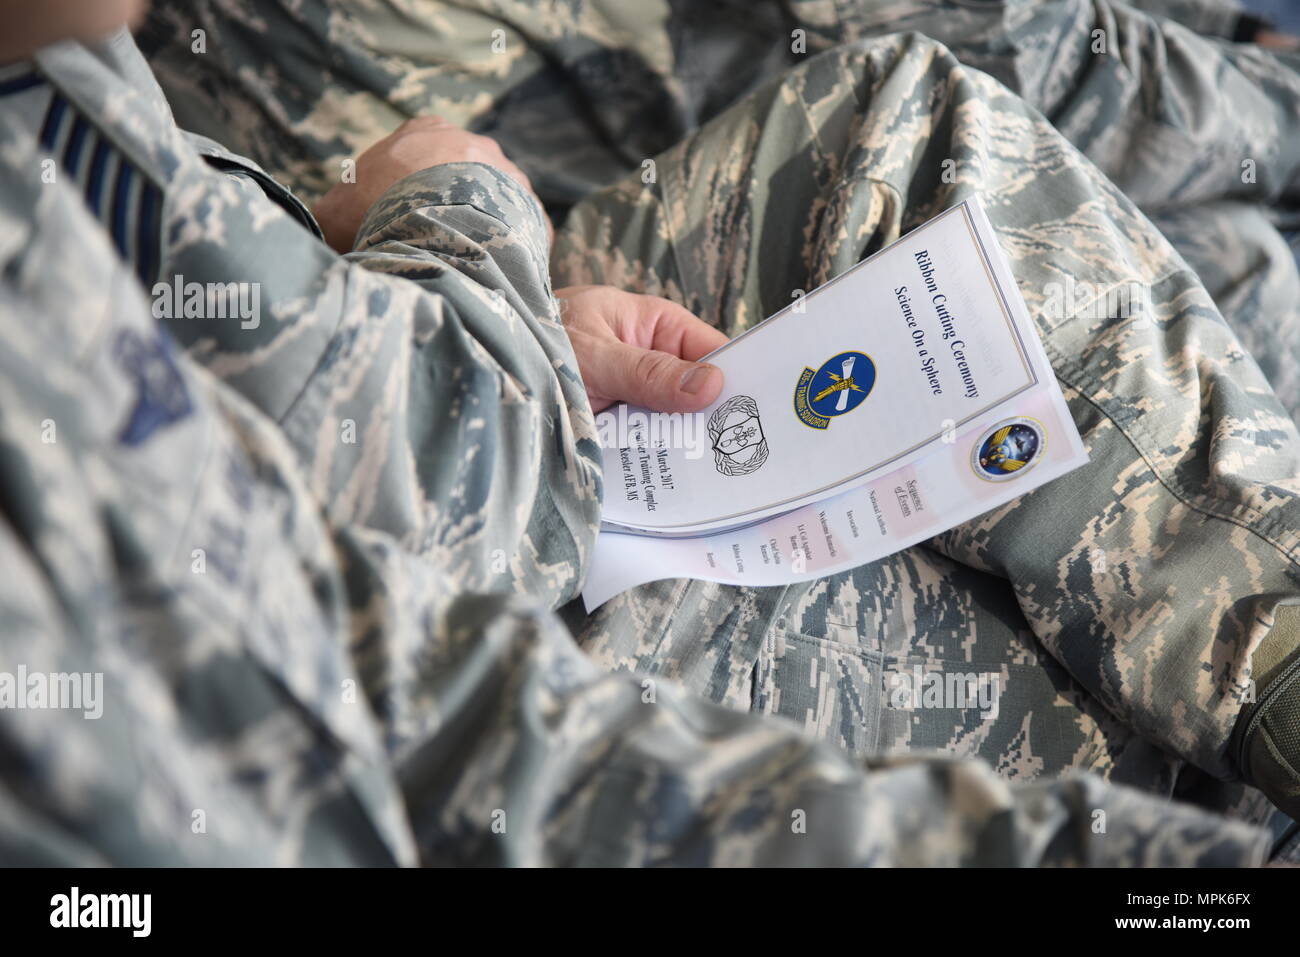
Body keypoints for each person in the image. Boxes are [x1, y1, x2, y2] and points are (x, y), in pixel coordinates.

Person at [0, 0, 1286, 865]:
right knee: (905, 134)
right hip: (516, 564)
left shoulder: (60, 99)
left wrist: (404, 257)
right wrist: (454, 202)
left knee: (1212, 269)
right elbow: (462, 506)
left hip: (475, 506)